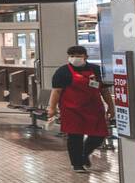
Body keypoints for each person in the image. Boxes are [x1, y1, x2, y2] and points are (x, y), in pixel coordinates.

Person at [47, 45, 113, 173]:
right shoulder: (62, 72)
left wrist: (111, 106)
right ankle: (77, 164)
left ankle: (84, 153)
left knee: (99, 135)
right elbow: (56, 91)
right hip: (71, 110)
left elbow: (104, 90)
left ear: (86, 57)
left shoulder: (96, 70)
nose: (75, 58)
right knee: (75, 136)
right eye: (72, 56)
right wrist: (52, 108)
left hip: (94, 109)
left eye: (78, 56)